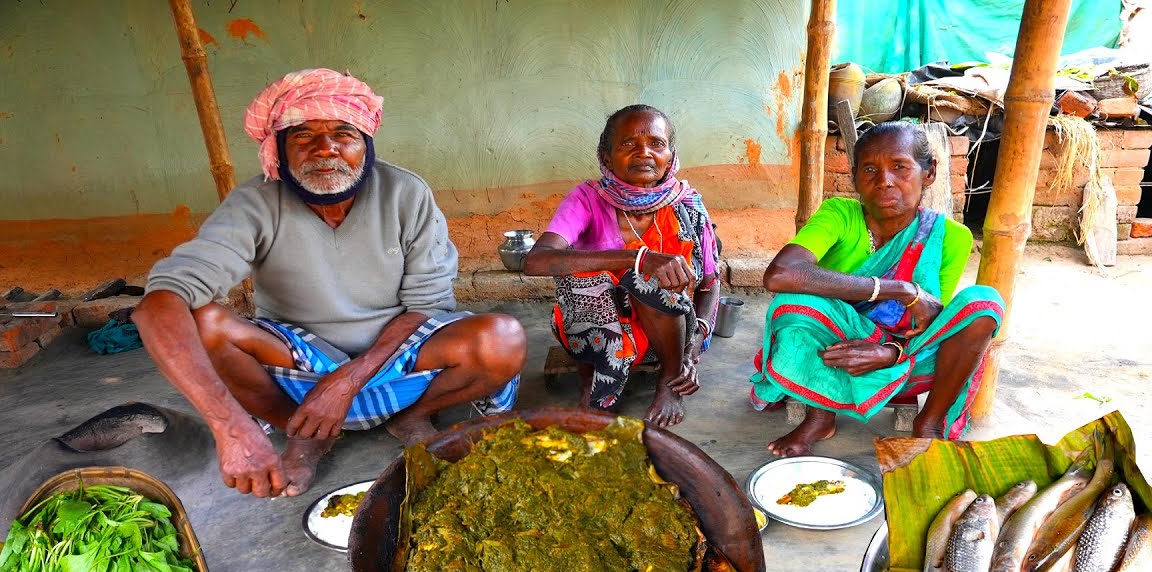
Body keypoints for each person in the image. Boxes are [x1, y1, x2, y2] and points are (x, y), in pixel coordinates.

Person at [133, 68, 526, 498]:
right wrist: (230, 426)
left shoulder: (405, 193)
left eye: (344, 134)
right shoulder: (256, 203)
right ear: (279, 150)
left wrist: (346, 382)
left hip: (398, 350)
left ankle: (412, 414)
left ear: (366, 145)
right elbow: (160, 304)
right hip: (297, 356)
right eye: (302, 136)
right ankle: (306, 435)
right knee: (207, 324)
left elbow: (428, 305)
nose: (326, 149)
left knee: (501, 338)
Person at [750, 121, 1004, 457]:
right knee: (793, 306)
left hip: (906, 358)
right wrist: (897, 289)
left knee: (983, 303)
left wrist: (890, 352)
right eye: (870, 169)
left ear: (928, 174)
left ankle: (928, 423)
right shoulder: (839, 214)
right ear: (855, 177)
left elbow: (928, 319)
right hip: (835, 348)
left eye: (899, 167)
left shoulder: (951, 237)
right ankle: (819, 416)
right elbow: (780, 275)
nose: (884, 180)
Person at [522, 104, 720, 427]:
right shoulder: (587, 199)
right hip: (596, 335)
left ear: (671, 154)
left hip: (667, 340)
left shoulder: (688, 206)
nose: (644, 153)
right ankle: (592, 380)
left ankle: (670, 385)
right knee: (616, 278)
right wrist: (636, 258)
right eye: (628, 144)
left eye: (656, 144)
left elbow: (711, 284)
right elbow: (537, 261)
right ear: (606, 156)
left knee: (650, 287)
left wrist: (692, 349)